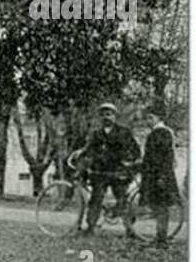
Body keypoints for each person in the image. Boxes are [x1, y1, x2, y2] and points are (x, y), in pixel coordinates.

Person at [77, 102, 141, 236]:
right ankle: (90, 227)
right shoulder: (96, 134)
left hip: (118, 172)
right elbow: (89, 149)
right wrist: (81, 153)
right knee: (96, 199)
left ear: (115, 116)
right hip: (100, 172)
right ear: (100, 117)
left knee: (123, 200)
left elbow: (135, 150)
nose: (106, 117)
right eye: (103, 115)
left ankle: (130, 229)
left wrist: (130, 162)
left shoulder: (124, 132)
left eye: (109, 114)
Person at [139, 107, 180, 247]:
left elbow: (166, 158)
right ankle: (159, 237)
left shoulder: (162, 132)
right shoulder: (157, 132)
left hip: (160, 176)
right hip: (155, 175)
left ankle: (162, 240)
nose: (148, 121)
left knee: (161, 207)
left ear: (158, 118)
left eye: (150, 117)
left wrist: (162, 177)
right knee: (157, 207)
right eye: (147, 118)